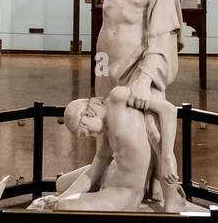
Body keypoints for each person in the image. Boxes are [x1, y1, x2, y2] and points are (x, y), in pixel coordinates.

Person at [48, 85, 183, 213]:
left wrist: (167, 158)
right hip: (109, 179)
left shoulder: (118, 96)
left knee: (63, 206)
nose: (91, 135)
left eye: (85, 131)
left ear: (87, 115)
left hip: (123, 193)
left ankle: (87, 197)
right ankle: (79, 195)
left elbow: (168, 110)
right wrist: (62, 196)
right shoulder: (107, 130)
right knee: (61, 184)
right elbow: (95, 169)